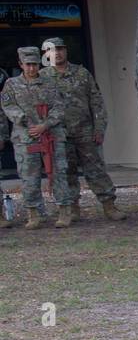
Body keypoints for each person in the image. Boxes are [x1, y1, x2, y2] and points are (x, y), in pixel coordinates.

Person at [39, 37, 122, 222]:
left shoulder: (81, 73)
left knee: (96, 170)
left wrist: (99, 128)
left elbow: (96, 102)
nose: (58, 53)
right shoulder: (42, 78)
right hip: (58, 134)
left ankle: (109, 205)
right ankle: (72, 208)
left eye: (61, 49)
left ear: (66, 51)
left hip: (85, 131)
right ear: (46, 54)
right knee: (66, 172)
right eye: (53, 50)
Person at [1, 46, 69, 229]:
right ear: (20, 65)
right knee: (29, 176)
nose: (32, 68)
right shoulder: (11, 85)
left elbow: (60, 107)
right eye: (28, 64)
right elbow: (8, 107)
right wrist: (25, 121)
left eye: (35, 64)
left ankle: (64, 211)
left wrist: (45, 125)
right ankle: (33, 214)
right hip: (25, 138)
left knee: (59, 172)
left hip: (51, 135)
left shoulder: (50, 83)